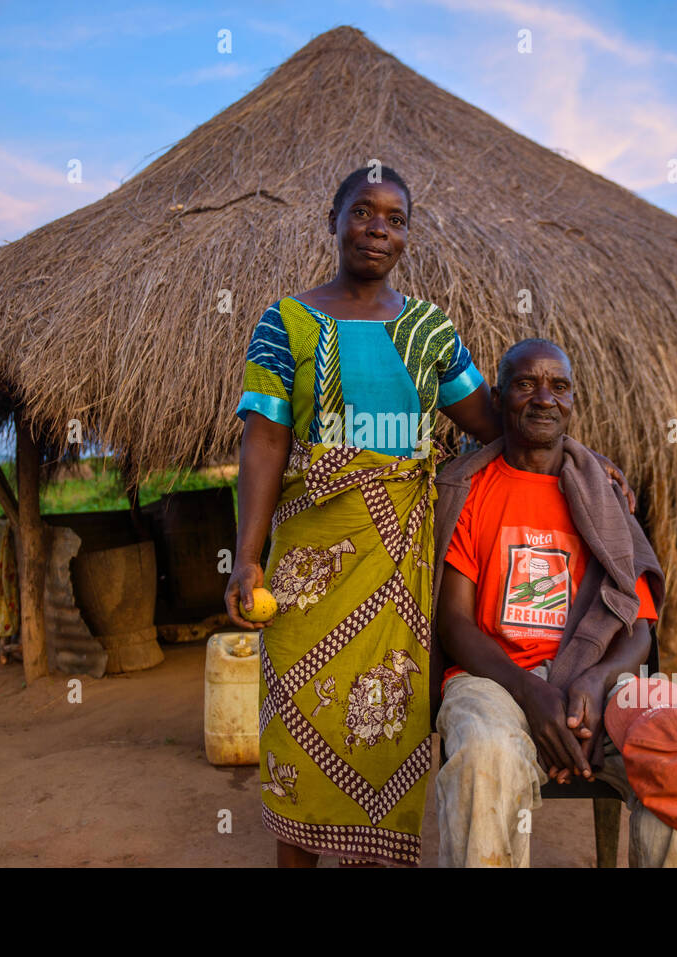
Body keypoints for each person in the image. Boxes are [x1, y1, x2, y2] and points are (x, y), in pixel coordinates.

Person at [224, 167, 502, 867]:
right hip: (306, 567)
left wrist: (585, 464)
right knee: (298, 720)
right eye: (364, 213)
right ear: (334, 219)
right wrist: (247, 556)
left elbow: (493, 422)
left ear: (406, 235)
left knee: (386, 723)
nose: (379, 228)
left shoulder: (430, 328)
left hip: (398, 567)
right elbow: (264, 438)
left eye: (396, 218)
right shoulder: (283, 322)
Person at [431, 338, 677, 867]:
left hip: (599, 682)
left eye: (560, 386)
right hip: (492, 682)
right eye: (526, 383)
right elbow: (454, 623)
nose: (544, 398)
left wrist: (594, 683)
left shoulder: (601, 493)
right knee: (487, 757)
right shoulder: (469, 488)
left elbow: (638, 625)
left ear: (574, 400)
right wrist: (531, 691)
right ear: (500, 395)